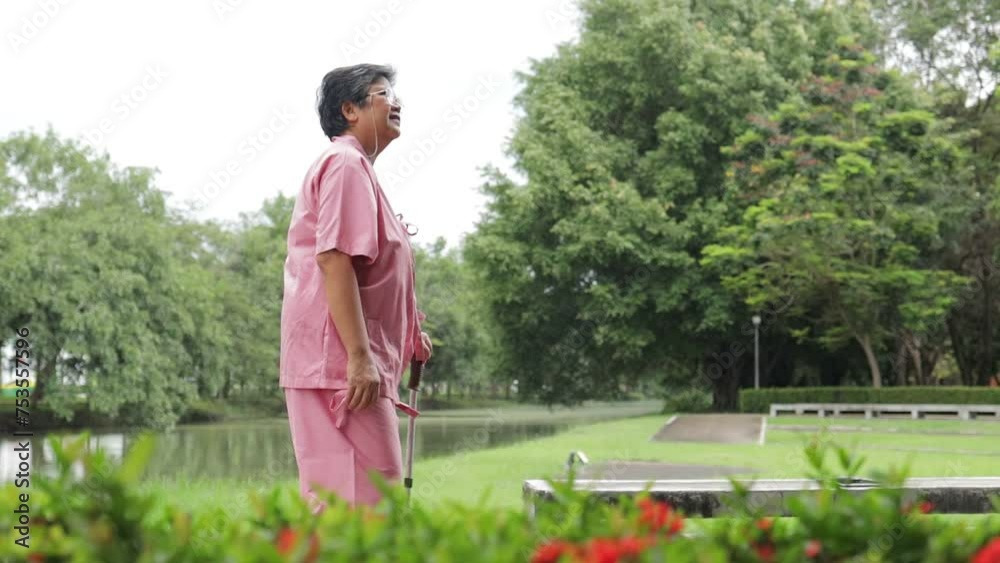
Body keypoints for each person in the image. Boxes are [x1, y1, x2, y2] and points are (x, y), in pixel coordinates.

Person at [279, 63, 432, 512]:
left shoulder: (358, 169)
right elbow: (334, 257)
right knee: (367, 505)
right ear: (350, 109)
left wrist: (409, 336)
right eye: (384, 93)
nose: (397, 102)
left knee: (355, 505)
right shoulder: (345, 162)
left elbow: (375, 270)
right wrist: (361, 359)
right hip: (340, 368)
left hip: (343, 365)